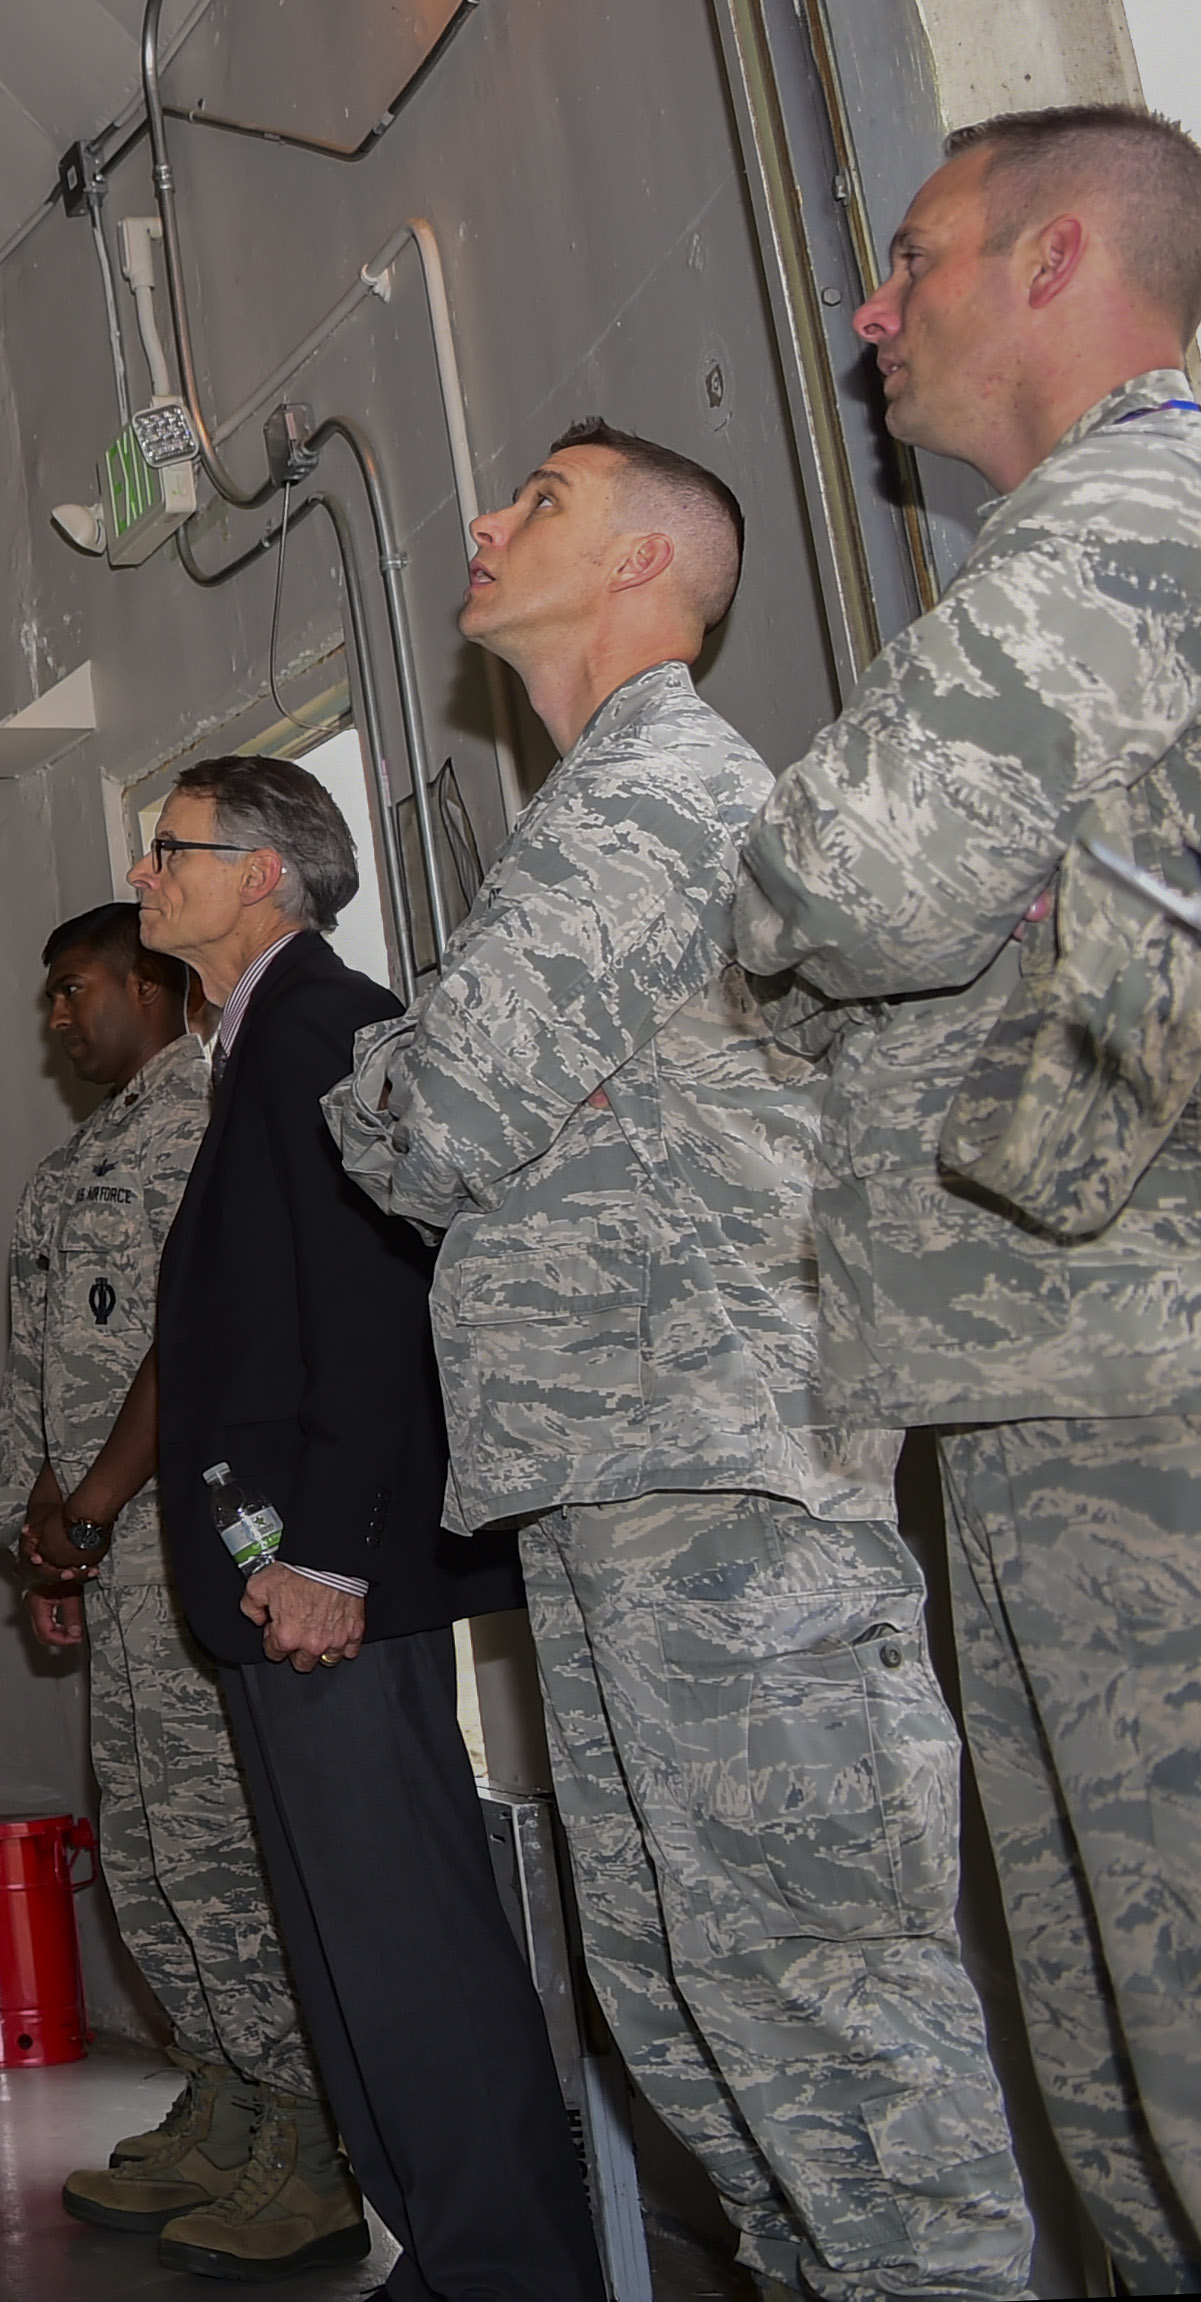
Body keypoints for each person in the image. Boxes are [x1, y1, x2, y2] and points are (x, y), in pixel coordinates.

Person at [330, 423, 1034, 2300]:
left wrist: (399, 1069)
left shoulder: (656, 798)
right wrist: (425, 1067)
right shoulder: (580, 819)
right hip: (619, 1478)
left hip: (724, 1490)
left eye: (542, 502)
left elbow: (430, 1121)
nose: (485, 522)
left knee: (825, 2016)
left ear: (649, 564)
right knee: (684, 2002)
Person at [732, 106, 1201, 2291]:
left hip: (1141, 1384)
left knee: (1168, 2020)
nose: (868, 306)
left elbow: (851, 870)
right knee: (1110, 2055)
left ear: (1056, 257)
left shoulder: (1132, 511)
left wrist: (798, 886)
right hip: (1059, 1364)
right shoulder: (1069, 541)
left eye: (911, 255)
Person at [138, 757, 602, 2301]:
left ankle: (509, 2266)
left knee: (410, 1942)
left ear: (262, 871)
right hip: (275, 1566)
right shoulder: (254, 1038)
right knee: (348, 1947)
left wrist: (331, 1549)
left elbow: (372, 1305)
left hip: (323, 1568)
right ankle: (437, 2247)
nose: (146, 872)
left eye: (171, 847)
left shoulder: (321, 1026)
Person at [0, 906, 364, 2277]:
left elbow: (191, 1347)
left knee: (225, 1848)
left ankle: (310, 2133)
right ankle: (228, 2088)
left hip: (191, 1537)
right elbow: (43, 1372)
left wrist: (92, 1507)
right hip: (107, 1556)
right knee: (153, 1848)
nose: (59, 1017)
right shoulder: (77, 1163)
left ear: (151, 984)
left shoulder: (205, 1122)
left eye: (75, 987)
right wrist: (39, 1527)